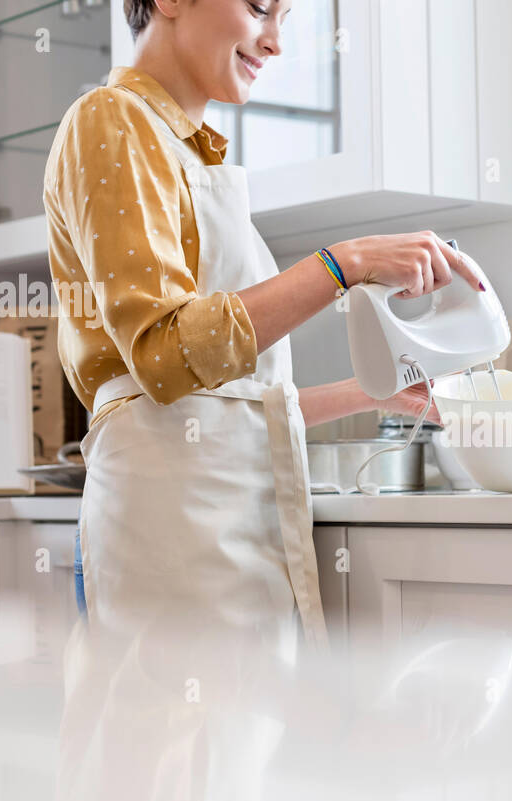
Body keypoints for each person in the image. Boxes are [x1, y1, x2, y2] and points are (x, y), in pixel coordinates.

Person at [46, 0, 482, 644]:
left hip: (224, 531)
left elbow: (224, 403)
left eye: (284, 17)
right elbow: (164, 357)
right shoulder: (111, 121)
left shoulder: (191, 157)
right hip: (169, 534)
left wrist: (374, 395)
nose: (274, 41)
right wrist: (345, 263)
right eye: (258, 8)